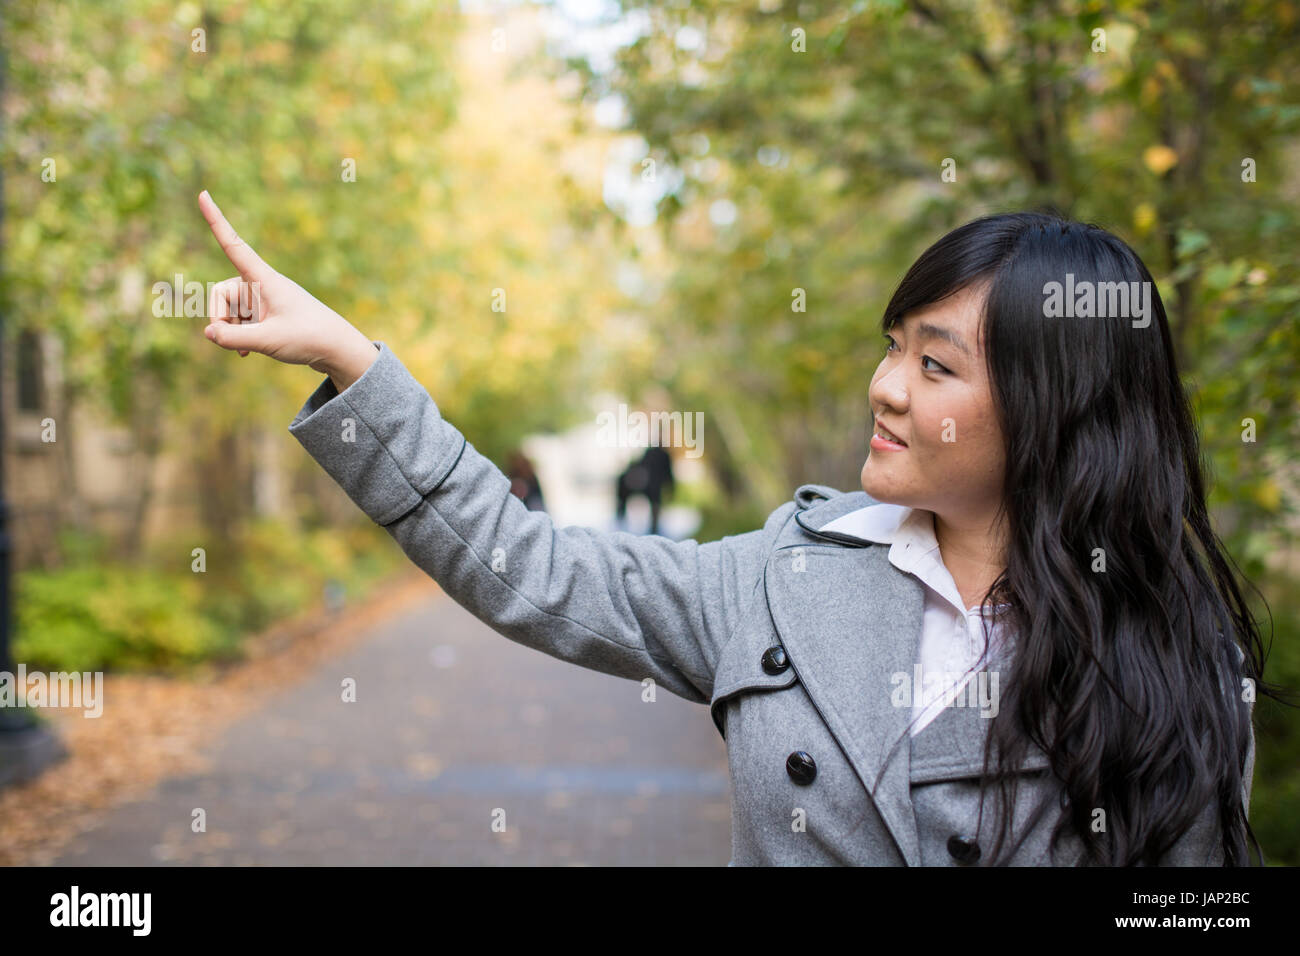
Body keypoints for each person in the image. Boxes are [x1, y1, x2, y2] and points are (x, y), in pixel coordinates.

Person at [198, 191, 1274, 866]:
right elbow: (526, 562)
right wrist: (354, 363)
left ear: (1057, 410)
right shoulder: (785, 577)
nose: (884, 387)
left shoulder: (1174, 654)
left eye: (934, 364)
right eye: (892, 345)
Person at [615, 439, 674, 535]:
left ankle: (653, 527)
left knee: (655, 503)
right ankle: (653, 528)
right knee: (655, 503)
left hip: (652, 484)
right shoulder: (658, 454)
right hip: (651, 484)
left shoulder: (655, 454)